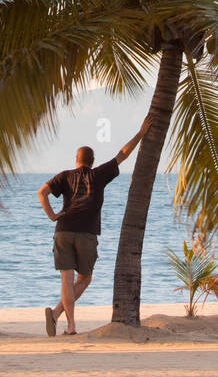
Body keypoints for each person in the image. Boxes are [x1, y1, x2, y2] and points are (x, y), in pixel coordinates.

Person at [37, 115, 153, 336]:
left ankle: (63, 320)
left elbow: (41, 193)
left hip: (63, 231)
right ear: (92, 161)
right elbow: (123, 154)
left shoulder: (64, 176)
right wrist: (140, 133)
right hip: (86, 234)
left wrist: (52, 215)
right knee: (85, 278)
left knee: (66, 279)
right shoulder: (99, 174)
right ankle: (61, 318)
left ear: (76, 159)